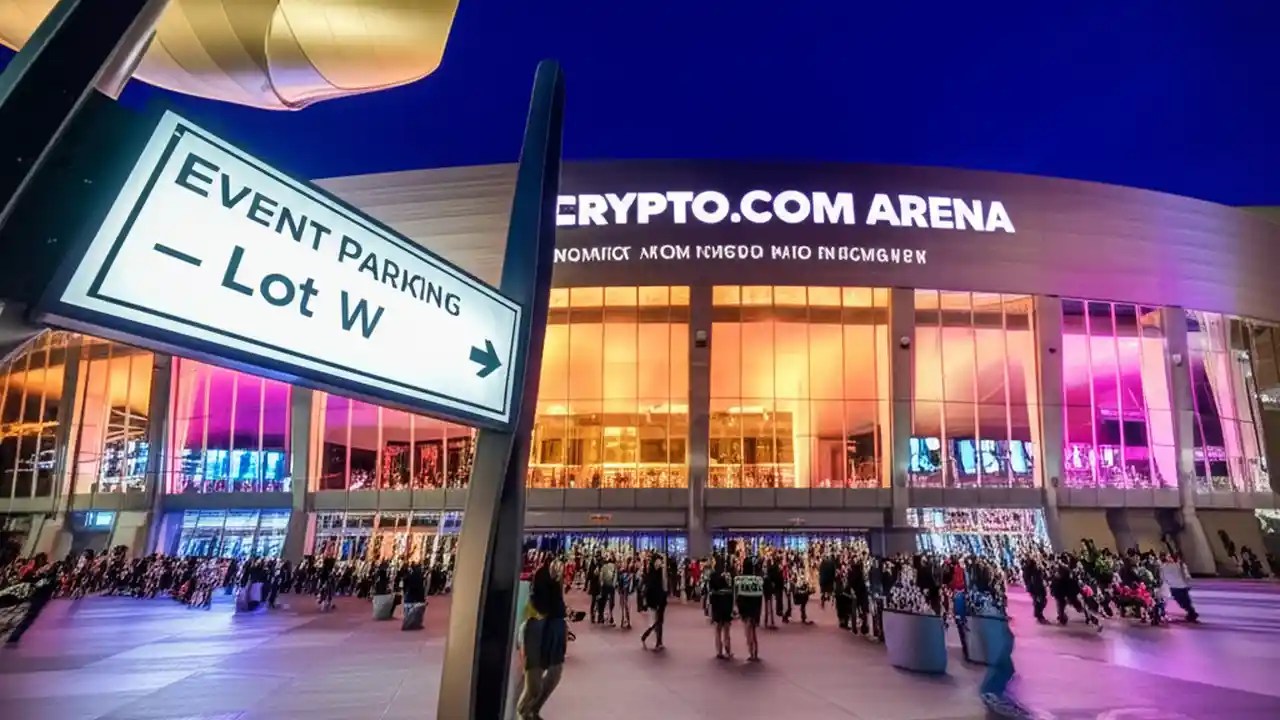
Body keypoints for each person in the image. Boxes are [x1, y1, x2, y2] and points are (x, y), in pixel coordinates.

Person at [518, 555, 567, 720]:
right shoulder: (541, 581)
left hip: (554, 626)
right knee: (534, 685)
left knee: (554, 673)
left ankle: (532, 710)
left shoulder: (554, 583)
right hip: (539, 627)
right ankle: (524, 711)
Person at [5, 562, 60, 645]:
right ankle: (13, 634)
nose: (46, 568)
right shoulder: (45, 577)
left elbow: (40, 587)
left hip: (37, 599)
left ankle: (14, 636)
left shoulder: (49, 579)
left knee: (27, 617)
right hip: (34, 599)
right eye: (46, 566)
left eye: (48, 567)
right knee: (24, 617)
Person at [734, 556, 764, 662]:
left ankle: (751, 652)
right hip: (755, 607)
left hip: (745, 608)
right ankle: (755, 652)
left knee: (748, 632)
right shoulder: (758, 579)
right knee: (754, 631)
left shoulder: (740, 579)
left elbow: (738, 595)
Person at [708, 556, 735, 659]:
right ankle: (728, 650)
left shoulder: (713, 576)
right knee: (727, 630)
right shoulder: (728, 575)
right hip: (727, 604)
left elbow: (711, 592)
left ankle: (719, 651)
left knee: (718, 629)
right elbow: (731, 590)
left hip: (717, 604)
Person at [1159, 553, 1198, 623]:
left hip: (1175, 587)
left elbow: (1163, 578)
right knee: (1186, 601)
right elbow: (1186, 575)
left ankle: (1191, 613)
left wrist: (1167, 584)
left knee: (1181, 601)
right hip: (1183, 586)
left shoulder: (1164, 567)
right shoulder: (1179, 565)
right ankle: (1191, 612)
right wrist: (1188, 583)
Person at [640, 555, 668, 650]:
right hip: (653, 600)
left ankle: (658, 641)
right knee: (657, 621)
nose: (659, 563)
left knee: (659, 621)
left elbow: (665, 585)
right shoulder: (651, 573)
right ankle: (647, 636)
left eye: (660, 561)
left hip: (661, 599)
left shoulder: (661, 572)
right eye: (658, 561)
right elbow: (648, 587)